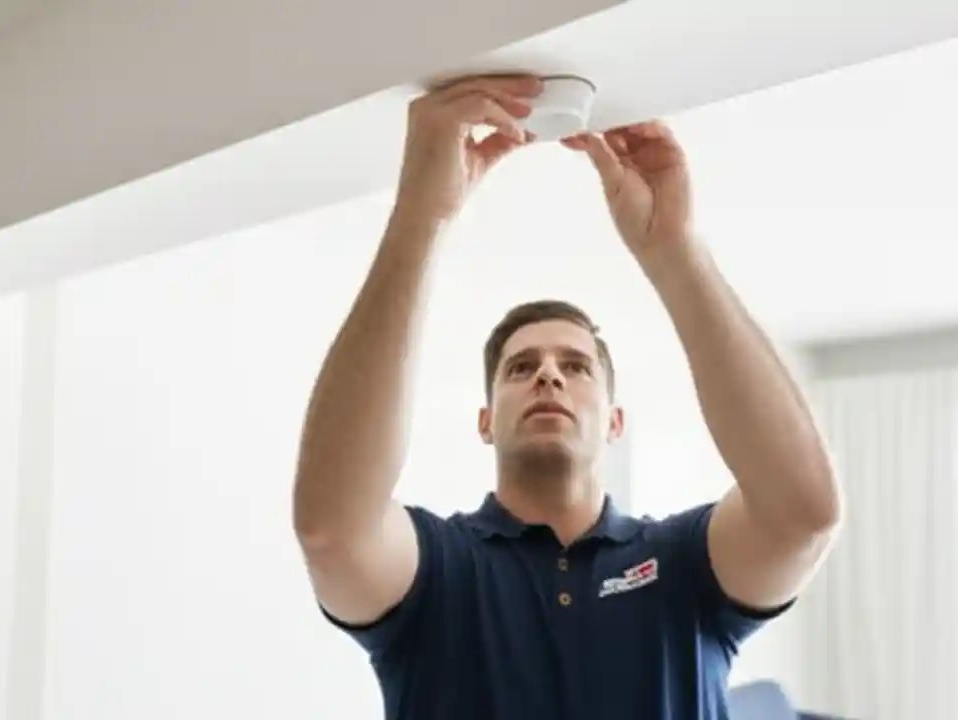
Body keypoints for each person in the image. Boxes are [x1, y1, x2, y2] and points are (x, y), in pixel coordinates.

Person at [291, 73, 842, 719]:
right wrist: (420, 215)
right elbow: (332, 531)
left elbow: (802, 513)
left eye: (576, 366)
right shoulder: (437, 569)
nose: (549, 375)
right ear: (485, 421)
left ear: (614, 422)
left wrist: (673, 249)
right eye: (521, 367)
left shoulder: (682, 564)